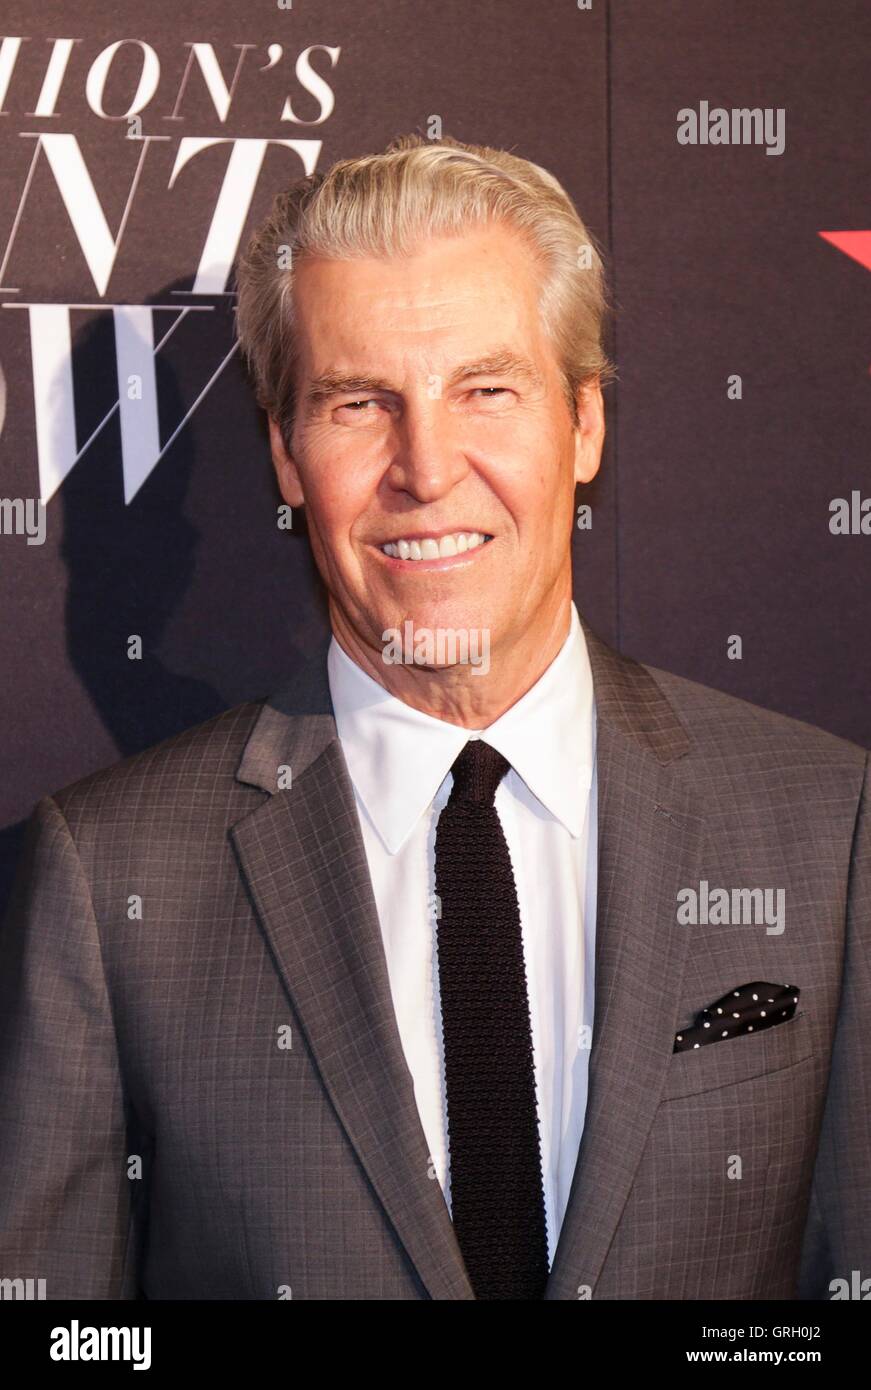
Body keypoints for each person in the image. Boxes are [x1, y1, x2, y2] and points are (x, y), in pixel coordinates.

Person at [0, 134, 867, 1300]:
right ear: (286, 454)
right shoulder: (107, 882)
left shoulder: (826, 827)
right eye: (360, 403)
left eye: (486, 390)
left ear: (586, 422)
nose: (425, 467)